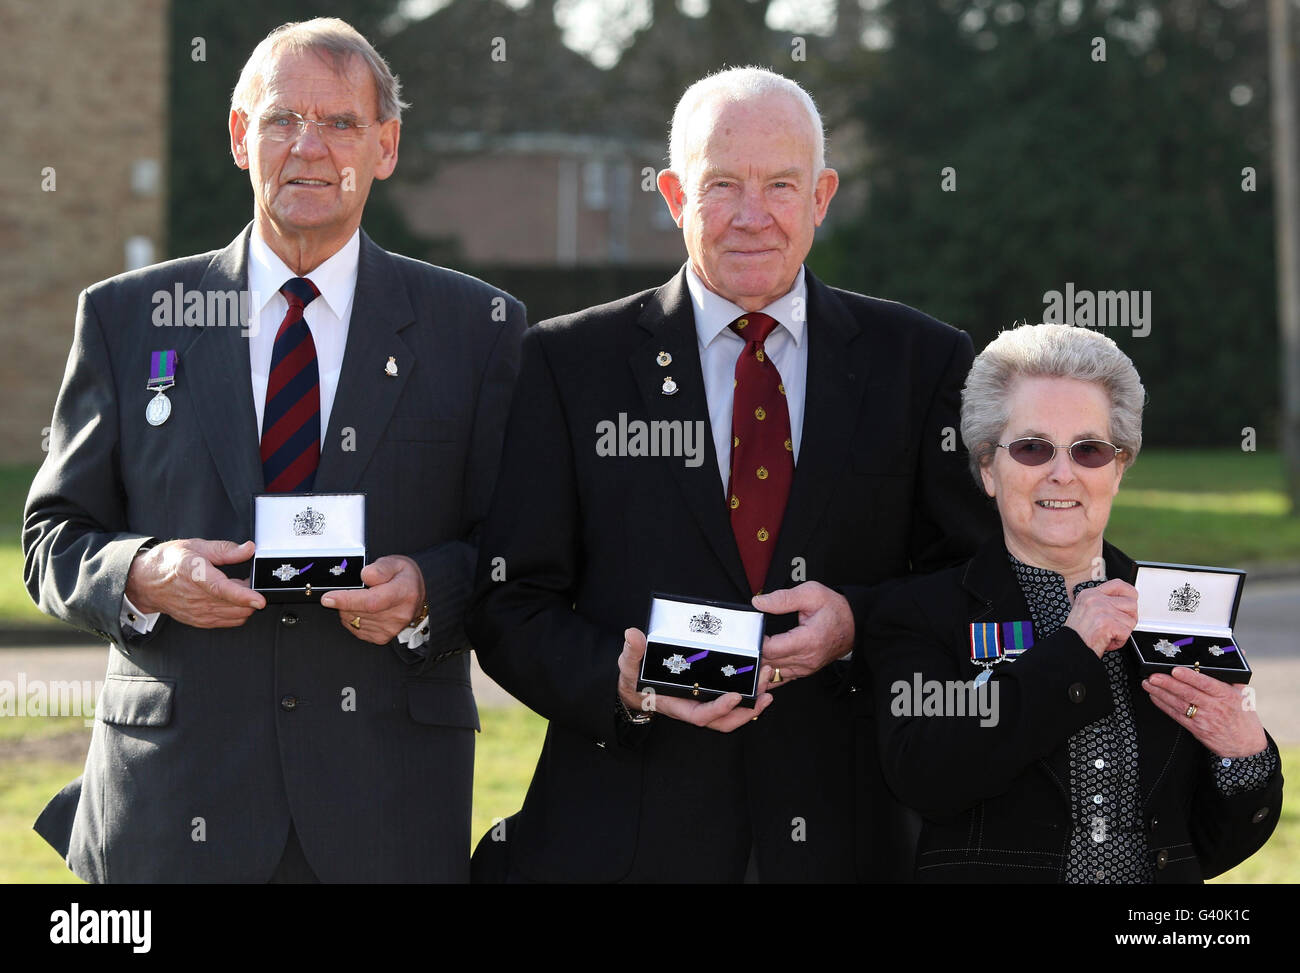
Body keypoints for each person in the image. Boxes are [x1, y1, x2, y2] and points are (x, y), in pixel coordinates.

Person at [23, 18, 526, 882]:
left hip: (385, 812)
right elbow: (50, 540)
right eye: (282, 119)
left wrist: (428, 591)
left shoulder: (476, 329)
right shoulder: (127, 315)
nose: (309, 147)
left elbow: (522, 553)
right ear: (238, 135)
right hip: (171, 806)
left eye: (339, 123)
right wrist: (144, 571)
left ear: (386, 145)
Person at [465, 67, 996, 882]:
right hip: (627, 836)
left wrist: (858, 621)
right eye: (722, 185)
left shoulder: (921, 363)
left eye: (781, 184)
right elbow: (509, 600)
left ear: (821, 196)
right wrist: (624, 681)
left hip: (849, 838)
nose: (753, 215)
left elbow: (981, 584)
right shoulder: (568, 363)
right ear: (675, 196)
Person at [870, 323, 1283, 882]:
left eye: (1089, 450)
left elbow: (1205, 845)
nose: (1062, 473)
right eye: (1033, 447)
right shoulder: (922, 613)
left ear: (1119, 468)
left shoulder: (1172, 607)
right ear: (989, 468)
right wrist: (1073, 648)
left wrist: (1244, 755)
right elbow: (927, 777)